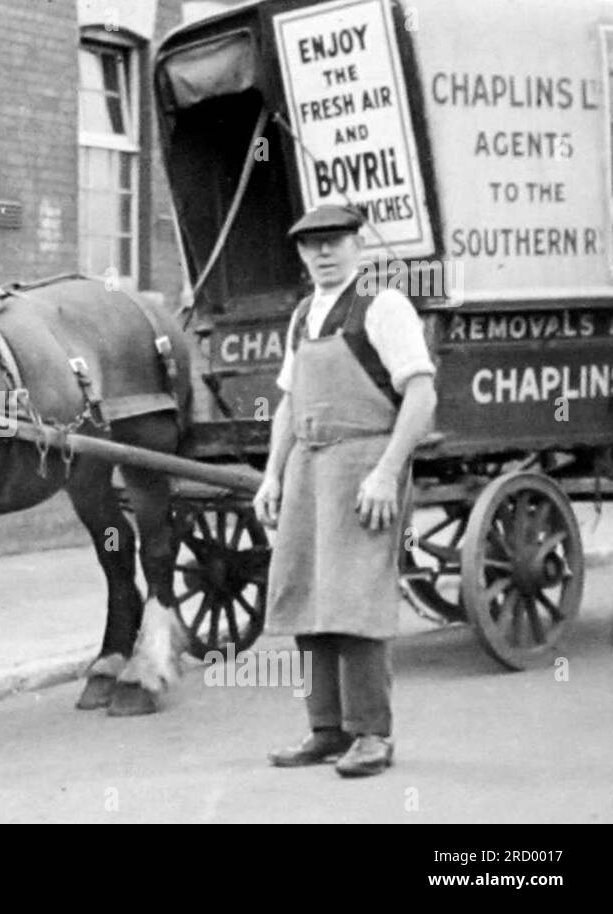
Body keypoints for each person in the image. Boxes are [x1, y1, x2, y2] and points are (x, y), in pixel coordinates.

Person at [252, 204, 437, 778]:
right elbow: (289, 402)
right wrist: (272, 474)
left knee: (354, 598)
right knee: (307, 593)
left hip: (363, 464)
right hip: (308, 464)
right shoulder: (304, 313)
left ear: (359, 245)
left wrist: (386, 471)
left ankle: (372, 737)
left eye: (334, 243)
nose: (323, 255)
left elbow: (422, 394)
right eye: (312, 246)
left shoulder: (383, 306)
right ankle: (326, 729)